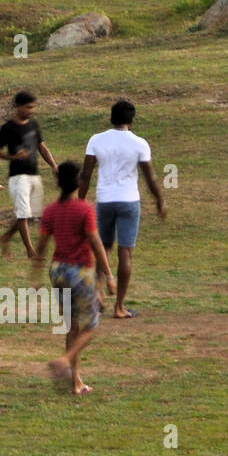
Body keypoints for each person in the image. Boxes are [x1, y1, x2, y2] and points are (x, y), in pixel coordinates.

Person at [78, 99, 166, 319]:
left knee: (103, 249)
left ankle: (97, 295)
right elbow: (149, 177)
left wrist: (79, 201)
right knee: (125, 252)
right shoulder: (139, 143)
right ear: (131, 120)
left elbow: (86, 174)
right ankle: (119, 307)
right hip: (129, 201)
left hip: (104, 200)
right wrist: (159, 200)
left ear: (111, 117)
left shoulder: (96, 140)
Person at [34, 161, 117, 395]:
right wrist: (109, 276)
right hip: (78, 272)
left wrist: (34, 275)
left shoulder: (50, 210)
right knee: (91, 327)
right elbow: (96, 243)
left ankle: (76, 383)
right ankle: (65, 360)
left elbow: (41, 248)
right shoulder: (84, 208)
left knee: (72, 328)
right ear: (79, 182)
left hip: (58, 271)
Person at [0, 91, 58, 258]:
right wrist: (13, 157)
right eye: (28, 107)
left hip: (34, 174)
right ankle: (31, 251)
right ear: (18, 107)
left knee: (30, 214)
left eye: (33, 107)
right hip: (18, 176)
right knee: (23, 213)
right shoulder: (7, 128)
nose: (31, 110)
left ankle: (6, 237)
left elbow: (42, 147)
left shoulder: (34, 125)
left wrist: (53, 165)